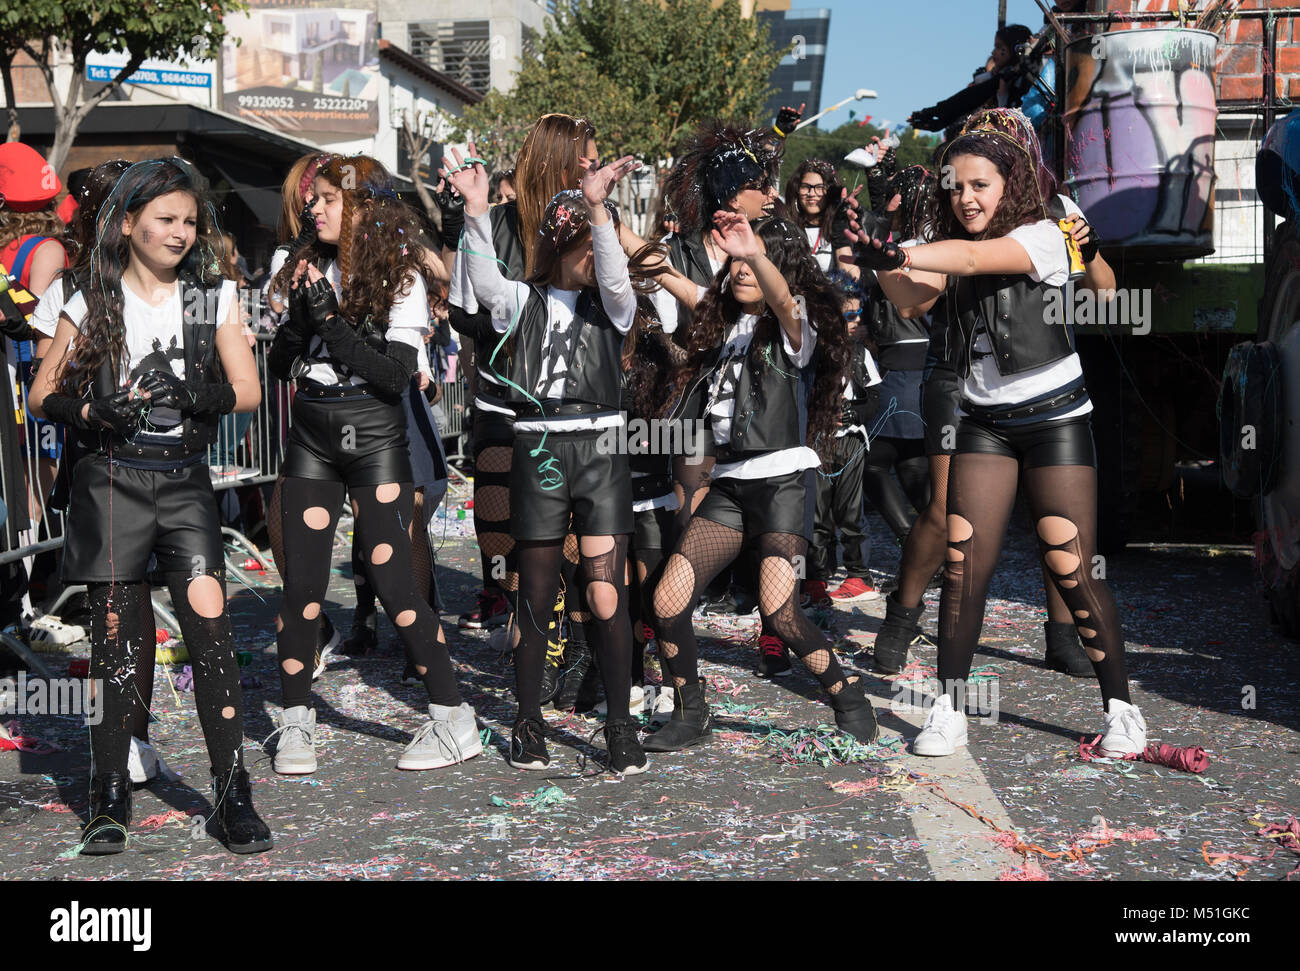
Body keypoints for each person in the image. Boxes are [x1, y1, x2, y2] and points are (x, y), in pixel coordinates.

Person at [854, 107, 1144, 758]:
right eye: (955, 185)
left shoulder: (1043, 230)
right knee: (964, 560)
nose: (965, 195)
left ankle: (1121, 706)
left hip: (1055, 416)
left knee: (1071, 563)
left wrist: (902, 249)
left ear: (1010, 178)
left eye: (979, 183)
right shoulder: (947, 229)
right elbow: (912, 297)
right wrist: (877, 253)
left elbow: (979, 258)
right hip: (982, 417)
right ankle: (949, 708)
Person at [28, 157, 272, 854]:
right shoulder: (87, 295)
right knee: (116, 648)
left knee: (211, 636)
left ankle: (232, 793)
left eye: (190, 221)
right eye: (166, 219)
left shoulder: (209, 295)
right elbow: (40, 393)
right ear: (127, 221)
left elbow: (249, 388)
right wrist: (88, 408)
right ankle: (109, 796)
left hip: (185, 480)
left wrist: (208, 396)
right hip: (111, 482)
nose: (181, 232)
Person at [266, 154, 480, 773]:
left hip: (374, 433)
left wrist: (331, 325)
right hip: (311, 430)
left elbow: (394, 377)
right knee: (302, 588)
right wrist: (300, 323)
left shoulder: (400, 274)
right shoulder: (294, 265)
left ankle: (454, 720)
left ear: (364, 207)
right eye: (315, 200)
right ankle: (296, 722)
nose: (316, 208)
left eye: (331, 198)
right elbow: (281, 365)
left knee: (395, 583)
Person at [448, 141, 654, 775]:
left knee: (606, 593)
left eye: (603, 245)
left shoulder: (613, 305)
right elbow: (482, 283)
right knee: (532, 593)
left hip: (600, 449)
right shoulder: (522, 299)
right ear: (559, 249)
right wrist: (478, 211)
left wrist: (600, 211)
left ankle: (619, 726)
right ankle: (527, 722)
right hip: (536, 444)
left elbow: (620, 281)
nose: (600, 257)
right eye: (589, 246)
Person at [645, 213, 879, 751]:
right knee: (668, 601)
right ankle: (690, 710)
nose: (743, 269)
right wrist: (601, 216)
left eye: (755, 260)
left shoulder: (797, 326)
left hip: (782, 482)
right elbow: (665, 272)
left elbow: (781, 297)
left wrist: (754, 253)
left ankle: (846, 694)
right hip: (728, 483)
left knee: (779, 610)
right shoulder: (723, 320)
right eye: (735, 261)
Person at [807, 269, 883, 618]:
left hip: (851, 442)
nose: (852, 323)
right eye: (846, 315)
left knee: (851, 513)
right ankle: (816, 577)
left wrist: (856, 414)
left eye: (857, 315)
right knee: (817, 514)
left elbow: (876, 398)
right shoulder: (812, 350)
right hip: (818, 442)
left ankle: (859, 575)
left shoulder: (860, 354)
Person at [783, 158, 858, 280]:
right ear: (796, 190)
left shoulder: (845, 228)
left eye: (820, 187)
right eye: (805, 187)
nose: (812, 193)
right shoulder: (785, 228)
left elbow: (852, 279)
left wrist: (840, 226)